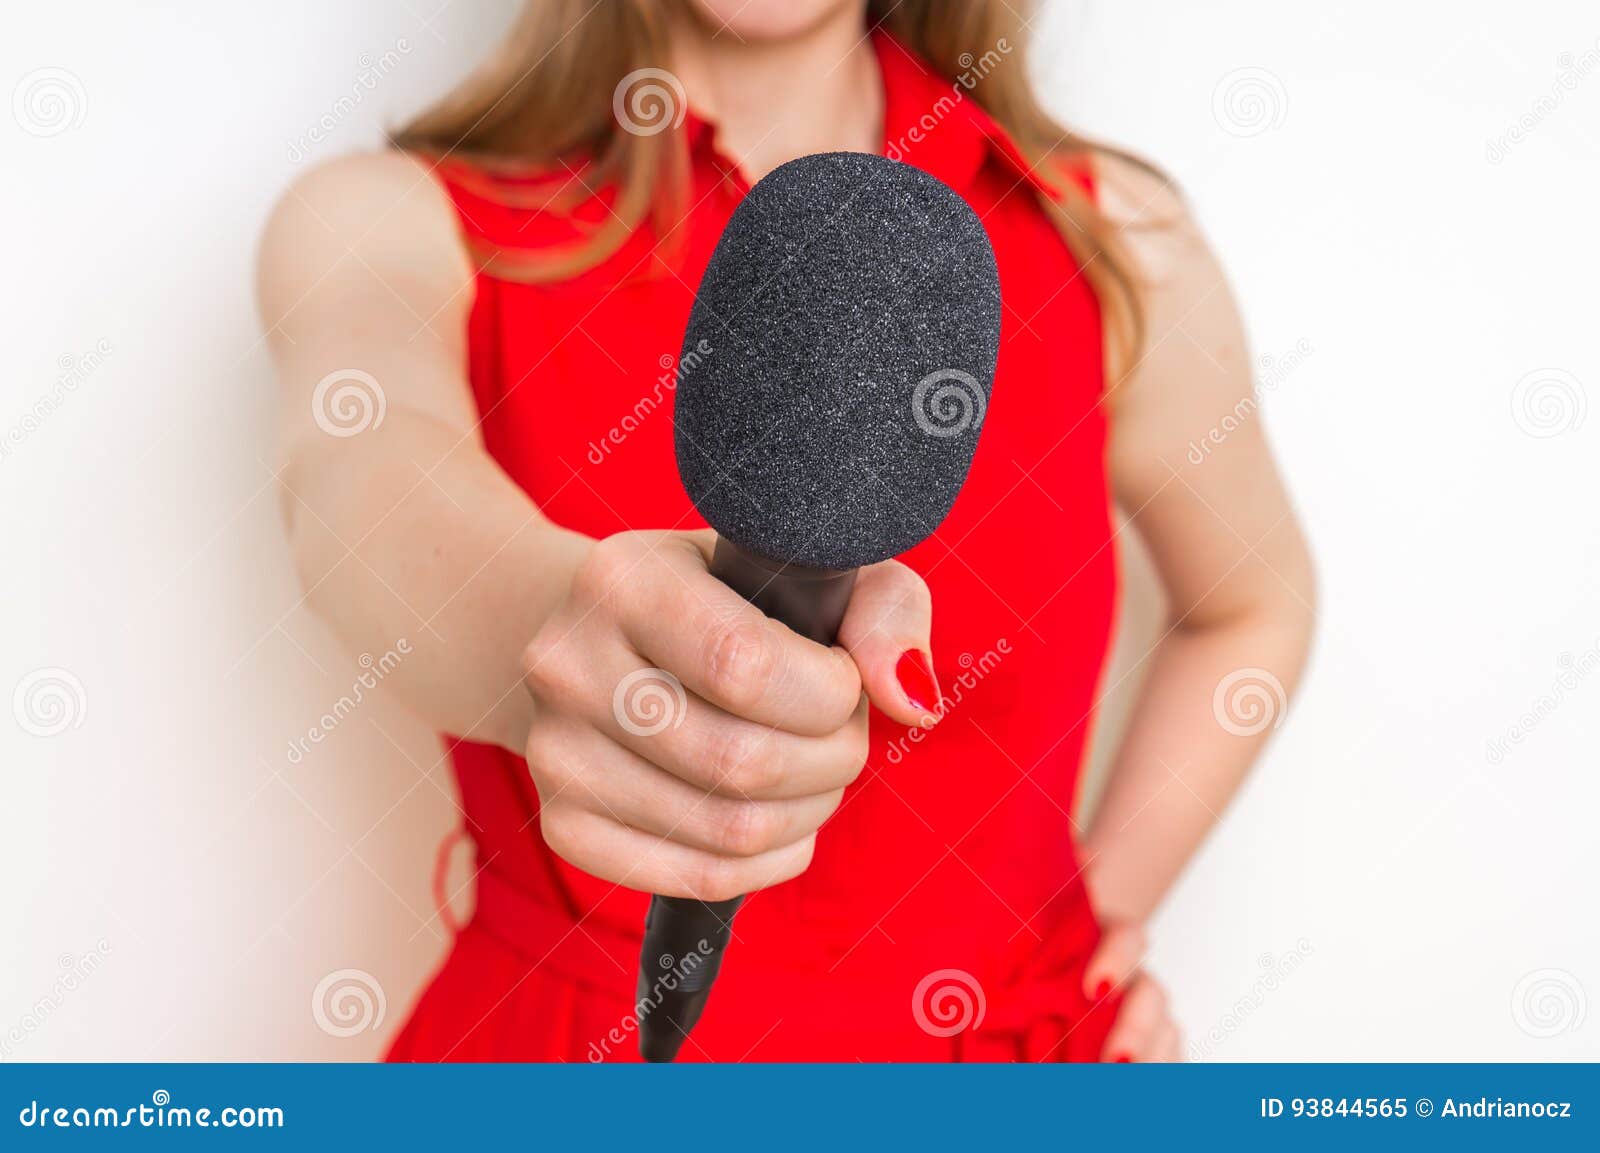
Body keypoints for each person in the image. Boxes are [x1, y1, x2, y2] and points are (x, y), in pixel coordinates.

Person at [257, 0, 1315, 1062]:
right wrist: (563, 631)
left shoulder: (1108, 231)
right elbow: (364, 495)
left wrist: (1081, 945)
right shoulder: (386, 219)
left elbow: (1252, 604)